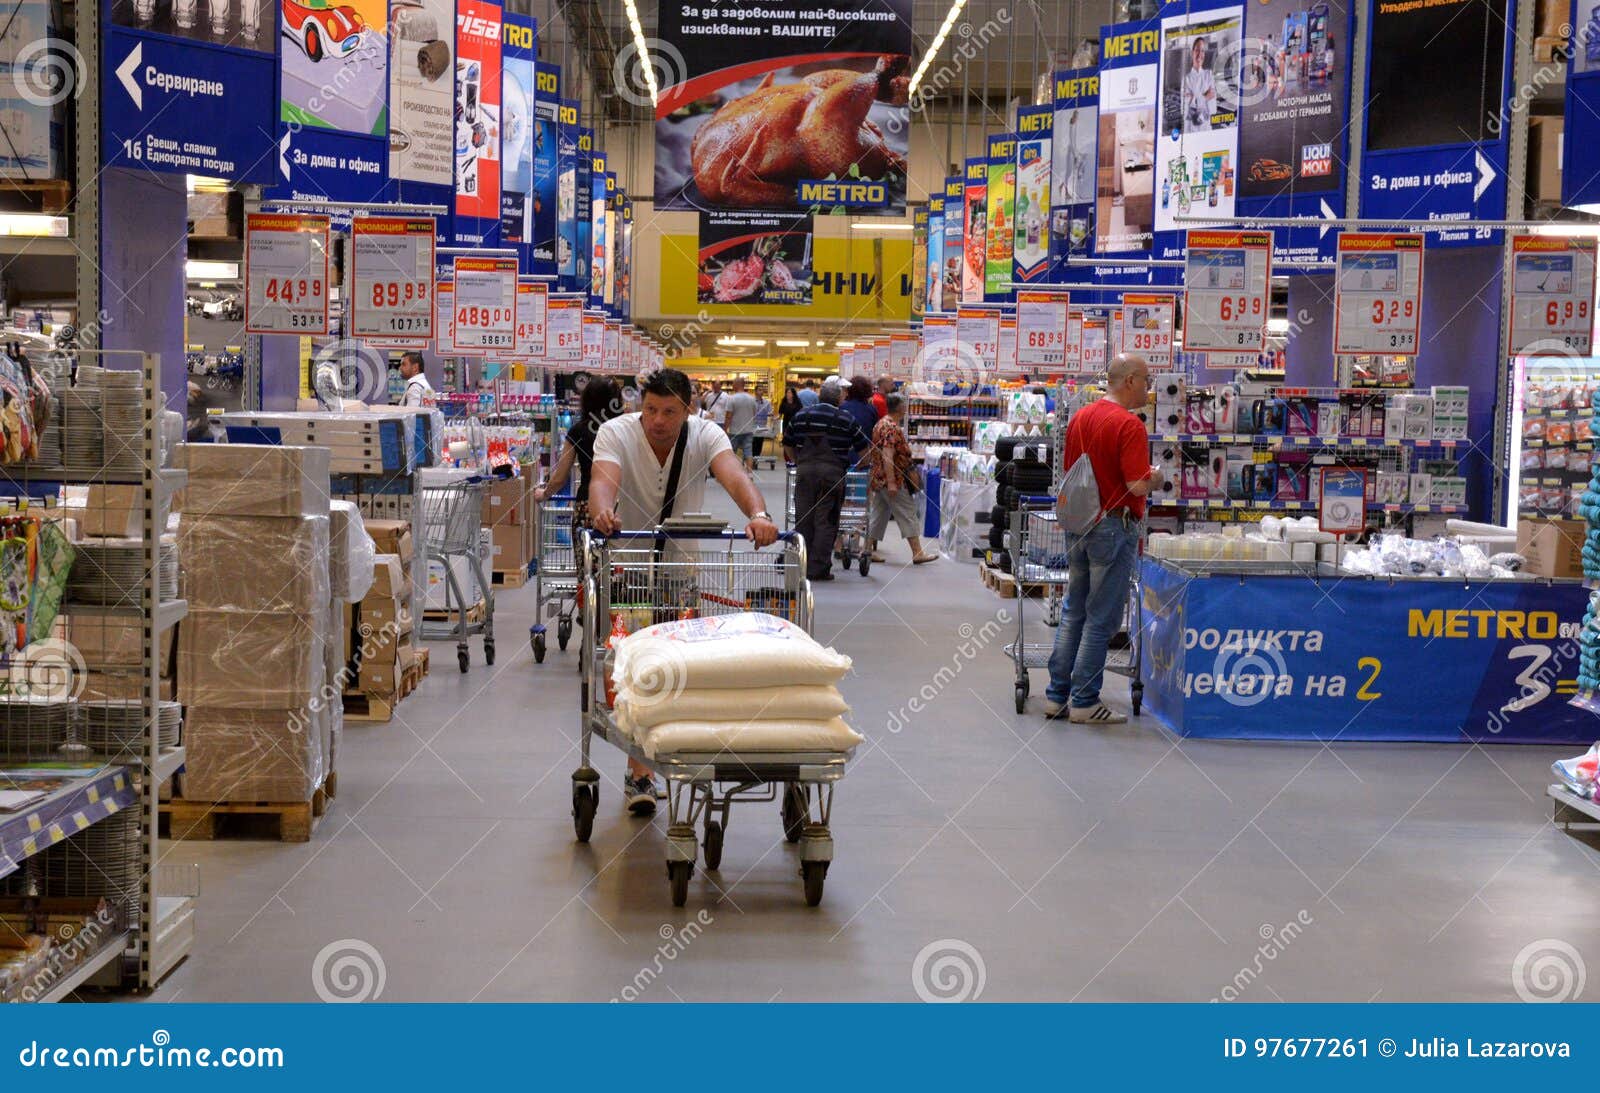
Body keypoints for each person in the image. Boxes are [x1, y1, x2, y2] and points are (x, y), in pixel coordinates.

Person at [589, 368, 779, 813]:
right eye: (650, 409)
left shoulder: (706, 435)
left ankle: (673, 751)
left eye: (669, 411)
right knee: (623, 657)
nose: (657, 420)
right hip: (628, 569)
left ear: (688, 409)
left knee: (677, 664)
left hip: (680, 571)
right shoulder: (616, 432)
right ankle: (640, 769)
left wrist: (760, 513)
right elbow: (603, 479)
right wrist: (602, 512)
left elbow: (733, 475)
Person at [1045, 353, 1162, 725]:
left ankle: (1056, 695)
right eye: (1146, 379)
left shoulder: (1081, 416)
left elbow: (1071, 470)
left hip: (1080, 523)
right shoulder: (1130, 426)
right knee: (1101, 618)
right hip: (1113, 526)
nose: (1149, 386)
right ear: (1128, 381)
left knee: (1073, 611)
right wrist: (1156, 477)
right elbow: (1136, 484)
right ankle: (1085, 701)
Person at [784, 380, 871, 582]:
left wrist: (799, 461)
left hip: (805, 474)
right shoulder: (846, 418)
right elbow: (864, 453)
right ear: (839, 398)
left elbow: (787, 444)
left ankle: (801, 566)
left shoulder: (801, 416)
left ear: (819, 396)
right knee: (826, 521)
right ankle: (819, 568)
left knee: (803, 518)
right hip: (832, 476)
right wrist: (856, 467)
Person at [532, 376, 620, 524]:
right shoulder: (625, 428)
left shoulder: (578, 430)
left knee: (587, 547)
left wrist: (544, 494)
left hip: (589, 506)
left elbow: (560, 477)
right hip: (621, 506)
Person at [866, 392, 939, 565]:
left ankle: (866, 551)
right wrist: (892, 482)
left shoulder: (880, 424)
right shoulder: (891, 427)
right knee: (907, 512)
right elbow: (887, 455)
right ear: (900, 408)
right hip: (893, 479)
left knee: (878, 514)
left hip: (878, 478)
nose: (906, 407)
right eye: (904, 404)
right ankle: (917, 552)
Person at [722, 375, 760, 471]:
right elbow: (754, 414)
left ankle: (734, 472)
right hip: (748, 430)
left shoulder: (732, 398)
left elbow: (728, 416)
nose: (732, 386)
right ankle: (750, 473)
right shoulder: (752, 399)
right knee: (748, 452)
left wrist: (725, 429)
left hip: (735, 431)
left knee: (732, 452)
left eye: (733, 384)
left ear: (737, 385)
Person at [1182, 37, 1216, 132]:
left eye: (1202, 51)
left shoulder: (1209, 75)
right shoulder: (1186, 79)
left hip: (1206, 128)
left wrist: (1194, 100)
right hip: (1190, 130)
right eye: (1197, 50)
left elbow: (1213, 108)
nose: (1200, 54)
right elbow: (1185, 111)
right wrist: (1205, 98)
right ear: (1192, 52)